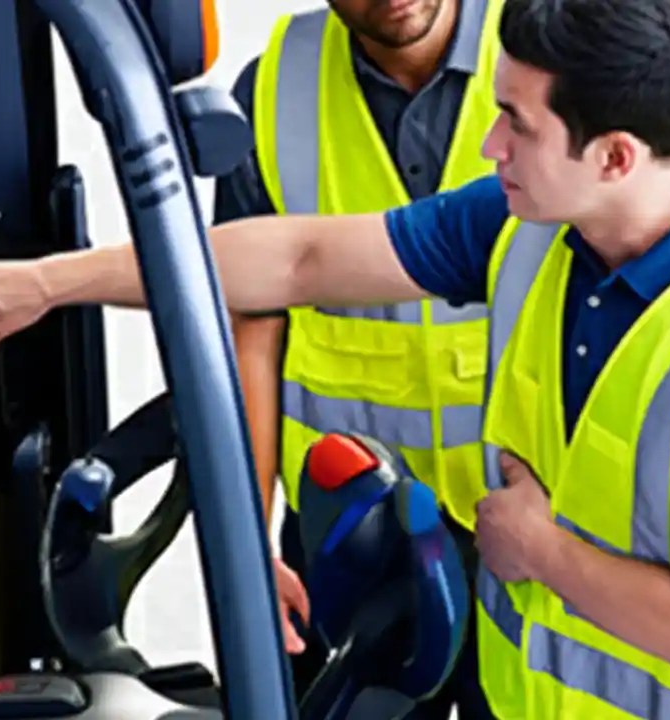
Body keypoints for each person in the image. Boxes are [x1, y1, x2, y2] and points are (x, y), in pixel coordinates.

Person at [0, 0, 670, 716]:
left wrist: (536, 550)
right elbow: (299, 255)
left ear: (613, 156)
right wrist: (44, 284)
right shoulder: (525, 226)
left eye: (516, 125)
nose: (488, 144)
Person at [216, 0, 502, 712]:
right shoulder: (276, 89)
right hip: (350, 531)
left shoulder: (556, 58)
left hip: (528, 532)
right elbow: (252, 324)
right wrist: (246, 539)